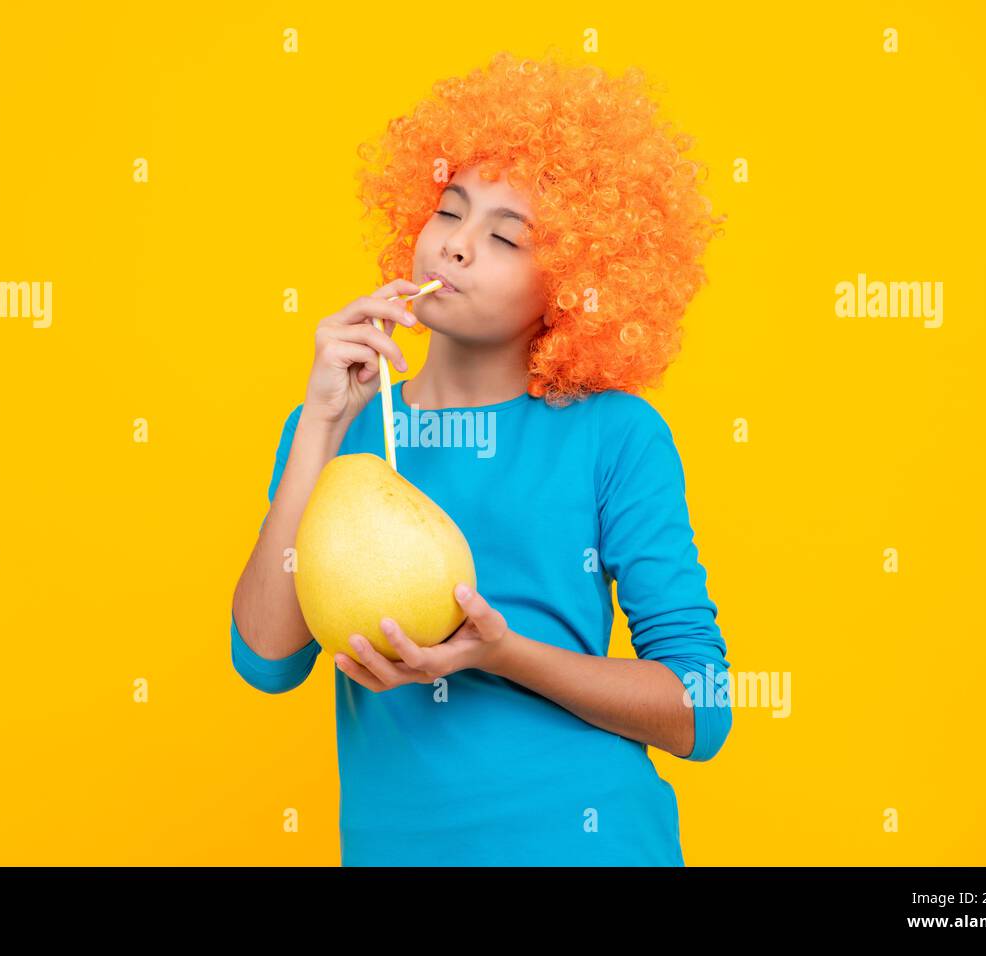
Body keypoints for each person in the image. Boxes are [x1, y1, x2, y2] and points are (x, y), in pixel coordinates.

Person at [230, 49, 731, 866]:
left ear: (571, 283)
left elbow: (701, 710)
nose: (455, 248)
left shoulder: (616, 435)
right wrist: (320, 423)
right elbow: (266, 660)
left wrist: (500, 652)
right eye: (448, 211)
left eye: (505, 237)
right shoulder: (338, 425)